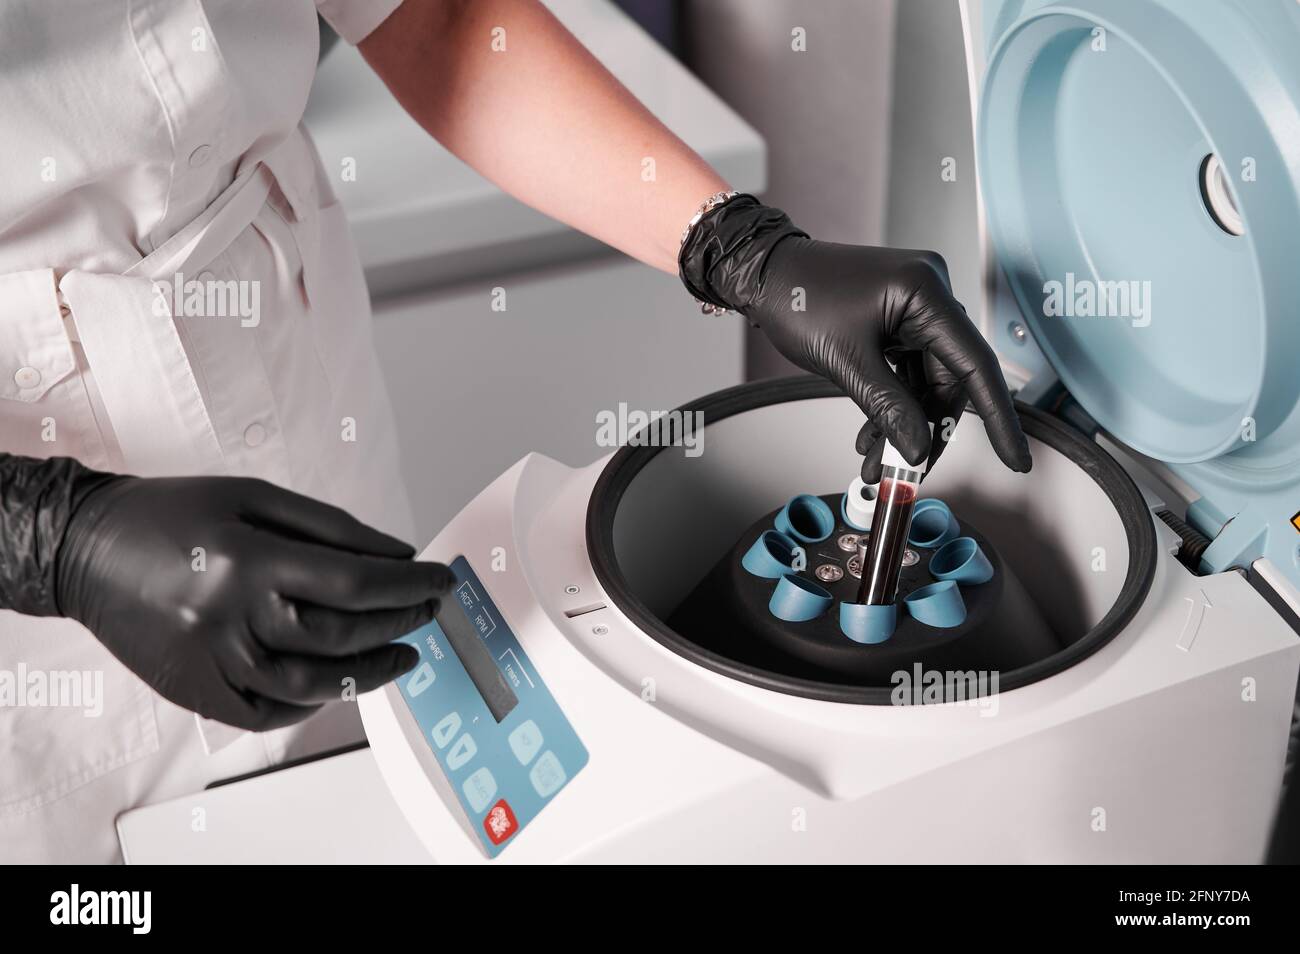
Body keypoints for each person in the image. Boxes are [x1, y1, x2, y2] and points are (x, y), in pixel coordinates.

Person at [0, 0, 1030, 863]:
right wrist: (58, 541)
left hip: (284, 361)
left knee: (374, 805)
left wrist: (743, 250)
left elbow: (436, 19)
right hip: (39, 607)